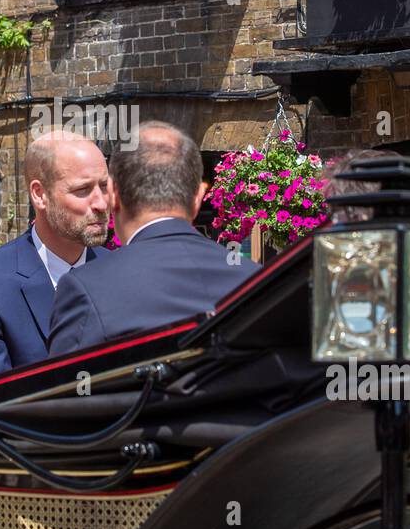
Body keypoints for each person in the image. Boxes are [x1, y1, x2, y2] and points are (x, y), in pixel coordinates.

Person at [47, 121, 260, 355]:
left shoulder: (86, 288)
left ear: (113, 197)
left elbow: (67, 388)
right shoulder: (254, 280)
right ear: (199, 197)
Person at [0, 129, 110, 387]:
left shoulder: (121, 272)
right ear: (39, 195)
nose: (101, 203)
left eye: (104, 186)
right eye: (82, 190)